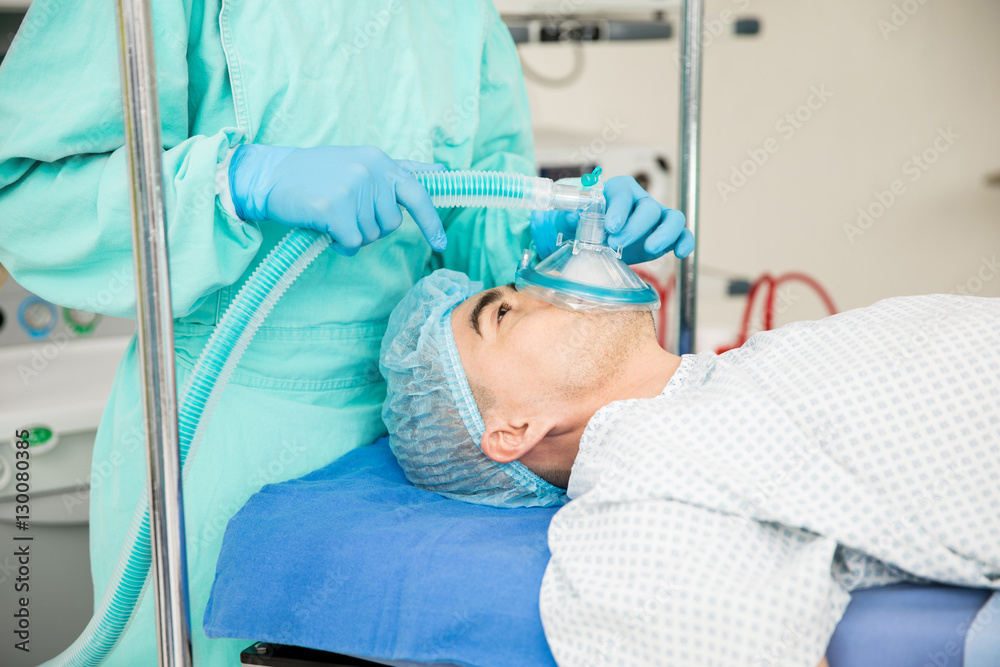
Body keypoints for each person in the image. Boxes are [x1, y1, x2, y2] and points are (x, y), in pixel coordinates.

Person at [0, 1, 691, 664]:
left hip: (413, 453)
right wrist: (239, 180)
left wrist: (548, 232)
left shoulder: (456, 14)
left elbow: (473, 208)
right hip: (219, 422)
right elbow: (24, 191)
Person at [379, 269, 1000, 667]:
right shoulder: (637, 491)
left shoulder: (723, 381)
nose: (544, 286)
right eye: (504, 313)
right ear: (514, 430)